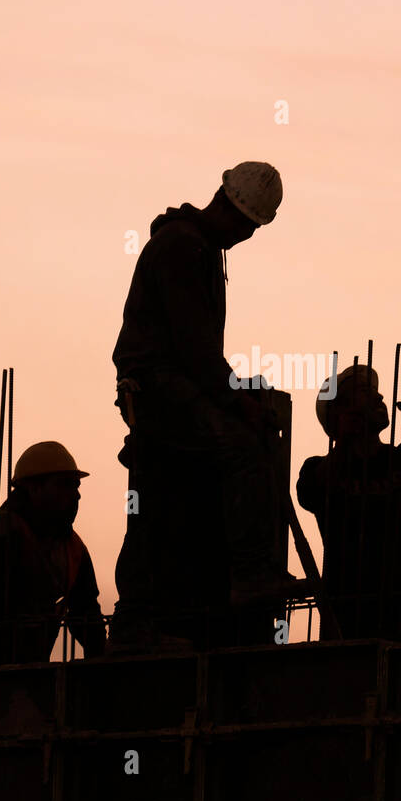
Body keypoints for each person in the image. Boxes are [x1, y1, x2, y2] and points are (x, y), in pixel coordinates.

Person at [109, 162, 296, 652]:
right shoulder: (181, 246)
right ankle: (252, 573)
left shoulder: (203, 250)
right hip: (158, 382)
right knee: (240, 448)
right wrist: (235, 398)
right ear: (228, 208)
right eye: (247, 226)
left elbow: (200, 354)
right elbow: (193, 350)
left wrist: (238, 391)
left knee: (215, 452)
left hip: (176, 378)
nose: (247, 237)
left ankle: (212, 590)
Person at [296, 365, 401, 641]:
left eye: (377, 393)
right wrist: (344, 440)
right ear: (339, 413)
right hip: (347, 612)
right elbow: (310, 490)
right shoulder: (318, 469)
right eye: (366, 393)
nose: (379, 399)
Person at [0, 441, 105, 668]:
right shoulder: (1, 534)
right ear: (33, 488)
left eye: (76, 486)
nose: (76, 496)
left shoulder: (72, 549)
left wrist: (102, 663)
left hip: (25, 671)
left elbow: (85, 612)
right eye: (64, 485)